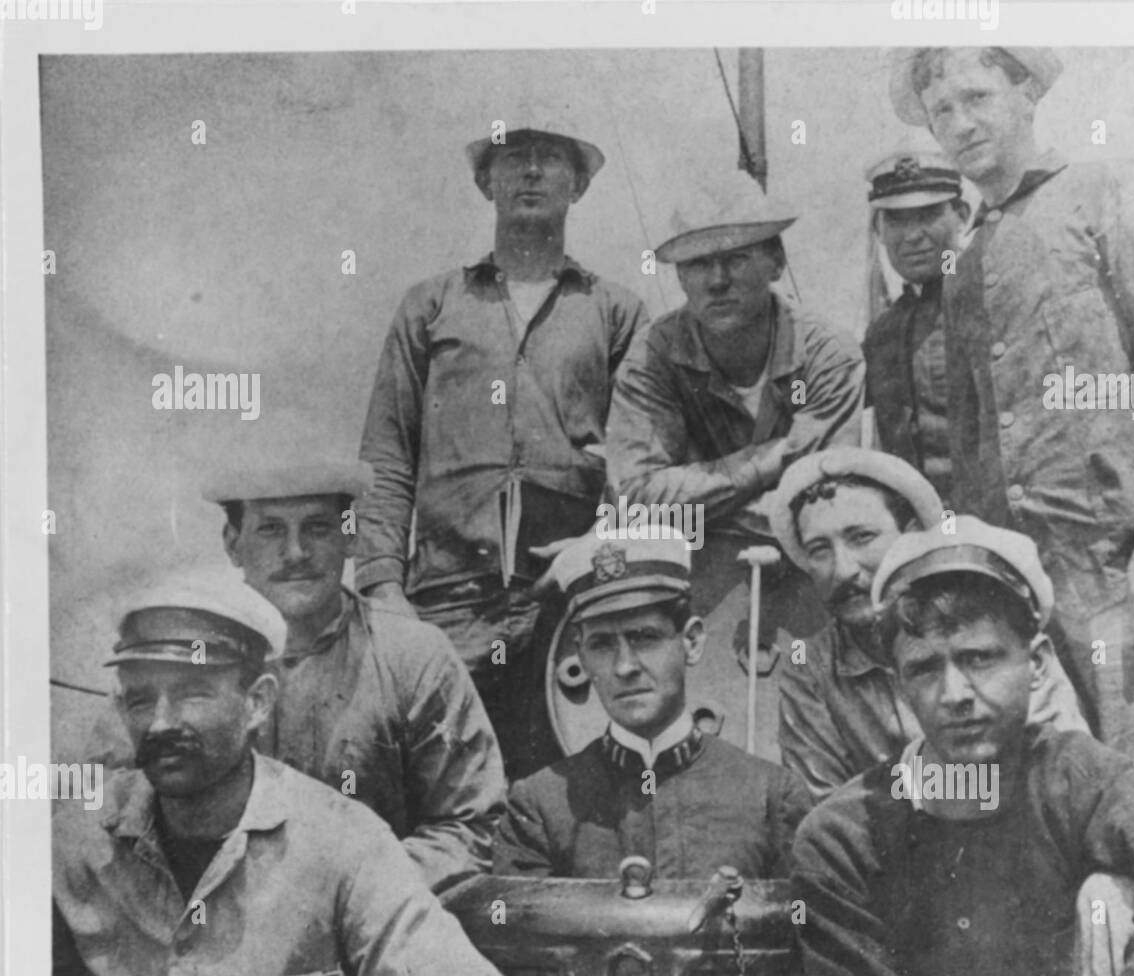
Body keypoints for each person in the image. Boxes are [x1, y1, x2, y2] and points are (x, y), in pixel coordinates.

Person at [889, 46, 1134, 850]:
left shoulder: (1110, 192)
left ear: (1026, 90)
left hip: (1125, 574)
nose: (961, 122)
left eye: (978, 96)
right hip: (1028, 603)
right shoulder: (967, 260)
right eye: (942, 111)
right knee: (1062, 834)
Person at [791, 517, 1134, 976]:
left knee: (1111, 899)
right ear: (899, 684)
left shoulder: (1074, 775)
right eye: (924, 669)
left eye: (980, 659)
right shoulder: (844, 838)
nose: (955, 695)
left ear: (1036, 664)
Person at [52, 570, 515, 976]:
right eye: (140, 699)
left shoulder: (344, 844)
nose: (161, 722)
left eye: (193, 694)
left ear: (257, 703)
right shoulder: (76, 839)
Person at [356, 109, 648, 780]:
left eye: (552, 158)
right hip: (446, 600)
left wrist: (603, 555)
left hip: (568, 599)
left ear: (579, 185)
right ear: (486, 182)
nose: (534, 170)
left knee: (571, 795)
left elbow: (640, 459)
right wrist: (381, 587)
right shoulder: (431, 306)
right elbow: (387, 455)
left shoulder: (616, 312)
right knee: (436, 786)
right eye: (513, 156)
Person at [198, 459, 505, 894]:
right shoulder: (193, 660)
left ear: (350, 535)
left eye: (318, 528)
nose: (296, 552)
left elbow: (468, 823)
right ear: (232, 543)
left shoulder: (412, 656)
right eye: (270, 530)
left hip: (373, 929)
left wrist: (356, 897)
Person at [770, 447, 1089, 802]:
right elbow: (824, 811)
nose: (843, 569)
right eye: (818, 550)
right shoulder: (811, 672)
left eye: (862, 537)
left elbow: (1063, 781)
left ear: (912, 536)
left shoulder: (996, 631)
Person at [493, 529, 811, 879]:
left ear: (691, 642)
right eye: (601, 645)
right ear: (581, 657)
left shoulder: (772, 797)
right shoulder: (540, 807)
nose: (624, 666)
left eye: (644, 638)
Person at [606, 172, 865, 548]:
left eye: (736, 258)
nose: (717, 280)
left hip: (804, 566)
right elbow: (633, 504)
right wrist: (772, 459)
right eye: (698, 263)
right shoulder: (652, 355)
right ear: (679, 276)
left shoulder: (827, 353)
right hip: (697, 569)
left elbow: (827, 502)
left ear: (776, 262)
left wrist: (697, 510)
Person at [860, 147, 970, 503]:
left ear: (963, 216)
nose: (912, 235)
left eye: (927, 215)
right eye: (896, 219)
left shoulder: (991, 303)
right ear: (878, 229)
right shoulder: (881, 334)